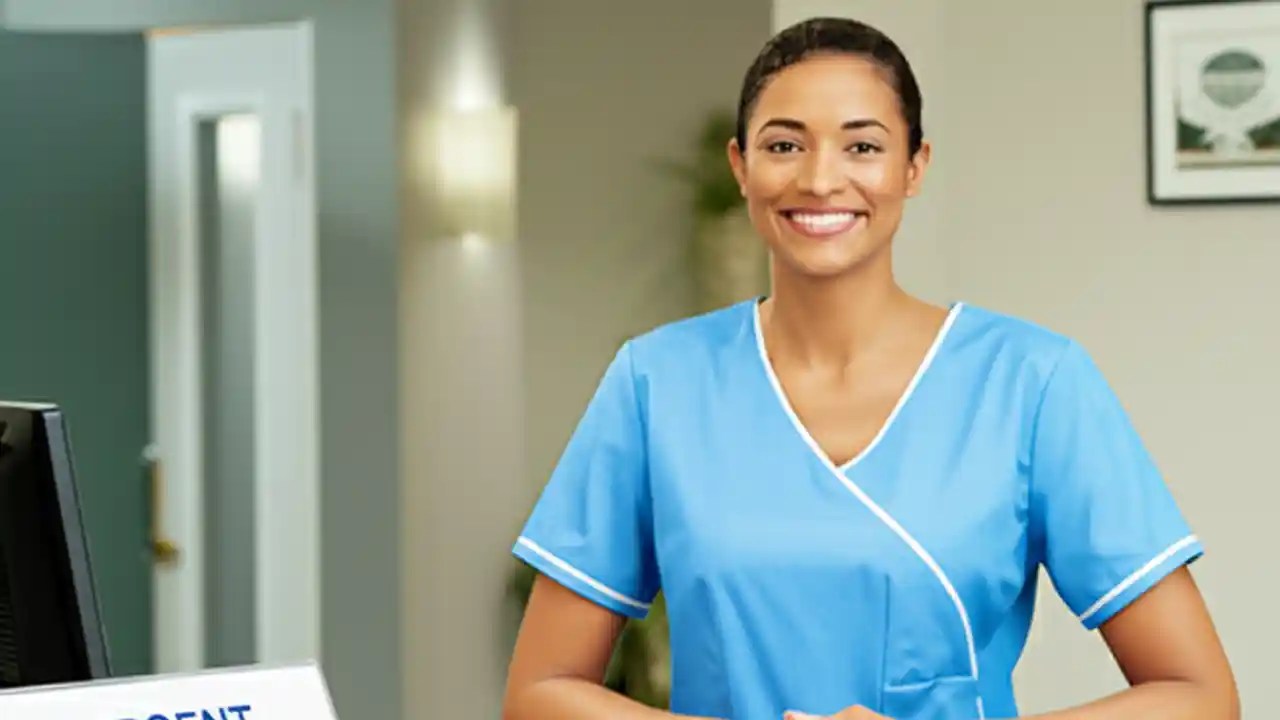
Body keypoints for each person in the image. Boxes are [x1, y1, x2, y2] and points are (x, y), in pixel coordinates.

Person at [502, 16, 1238, 720]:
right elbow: (540, 692)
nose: (821, 180)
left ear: (915, 166)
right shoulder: (655, 384)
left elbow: (1198, 696)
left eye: (862, 147)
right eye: (784, 146)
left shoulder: (1032, 385)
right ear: (741, 165)